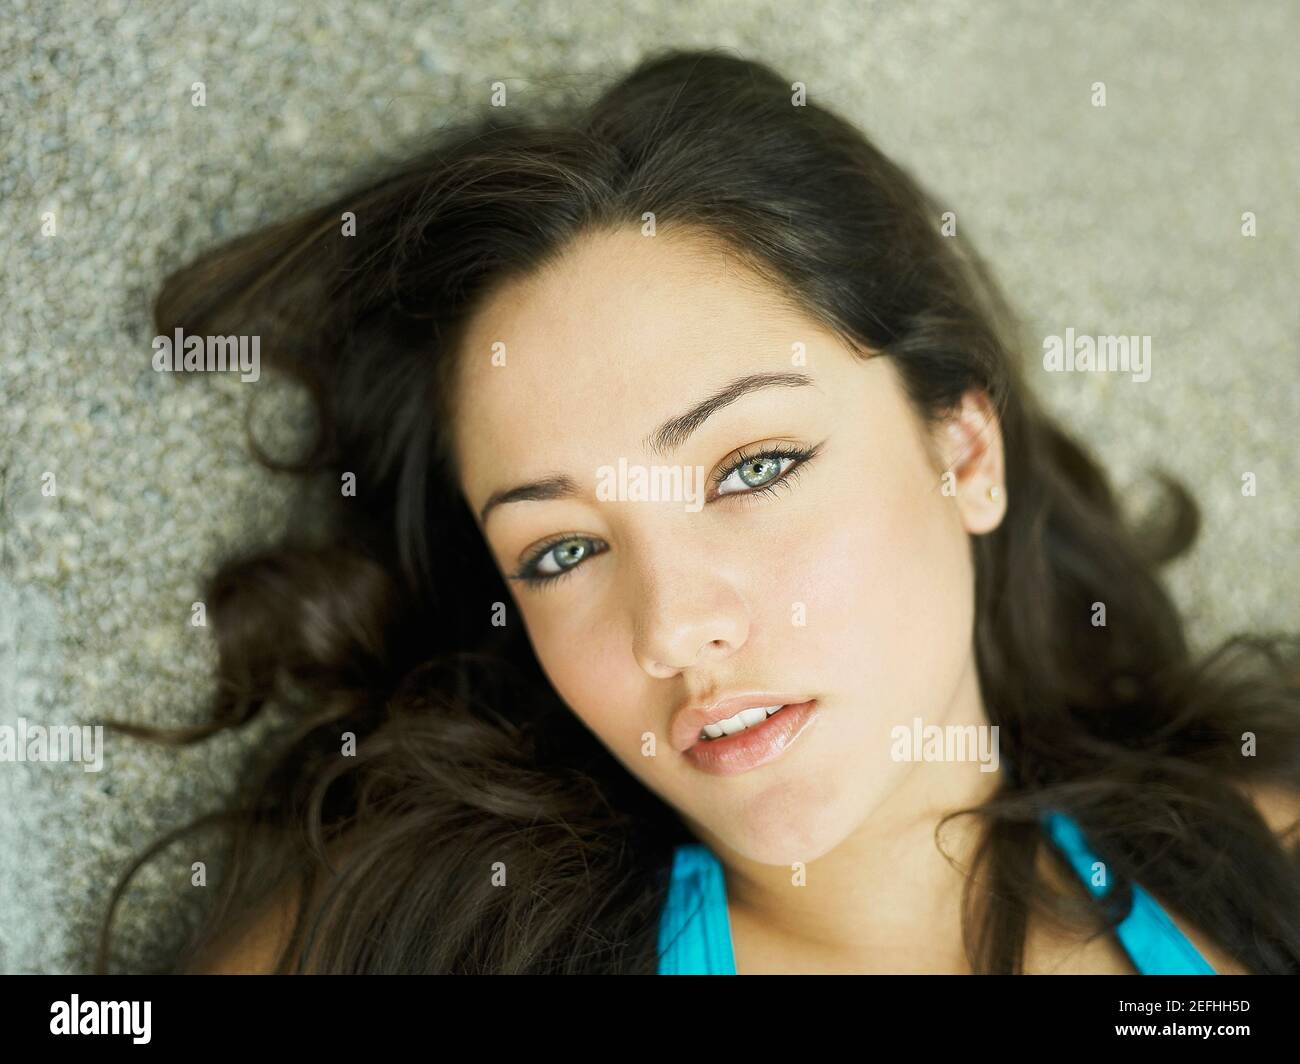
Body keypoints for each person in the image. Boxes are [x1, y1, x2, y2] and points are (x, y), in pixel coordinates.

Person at [98, 48, 1300, 975]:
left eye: (753, 467)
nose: (671, 627)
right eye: (561, 547)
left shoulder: (1263, 873)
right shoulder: (415, 941)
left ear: (964, 449)